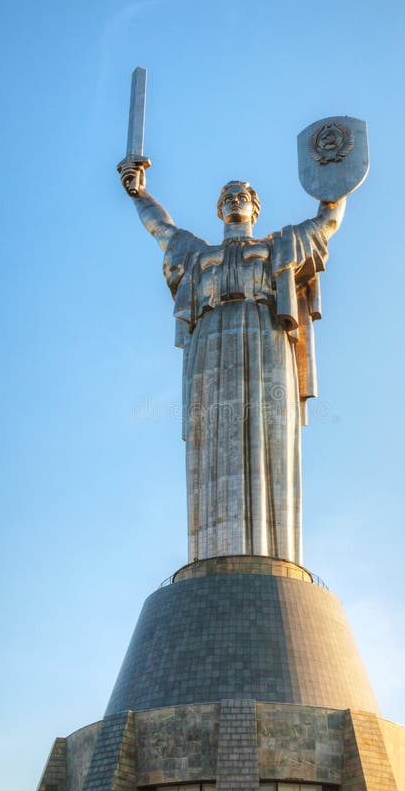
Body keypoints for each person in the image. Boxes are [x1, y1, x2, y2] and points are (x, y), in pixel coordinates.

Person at [119, 164, 345, 564]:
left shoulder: (280, 245)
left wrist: (336, 182)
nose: (235, 200)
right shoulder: (198, 255)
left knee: (269, 430)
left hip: (266, 336)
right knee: (214, 438)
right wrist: (140, 195)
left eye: (243, 196)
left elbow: (327, 221)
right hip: (211, 343)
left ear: (255, 209)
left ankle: (276, 556)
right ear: (220, 211)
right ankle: (213, 553)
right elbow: (161, 229)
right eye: (228, 197)